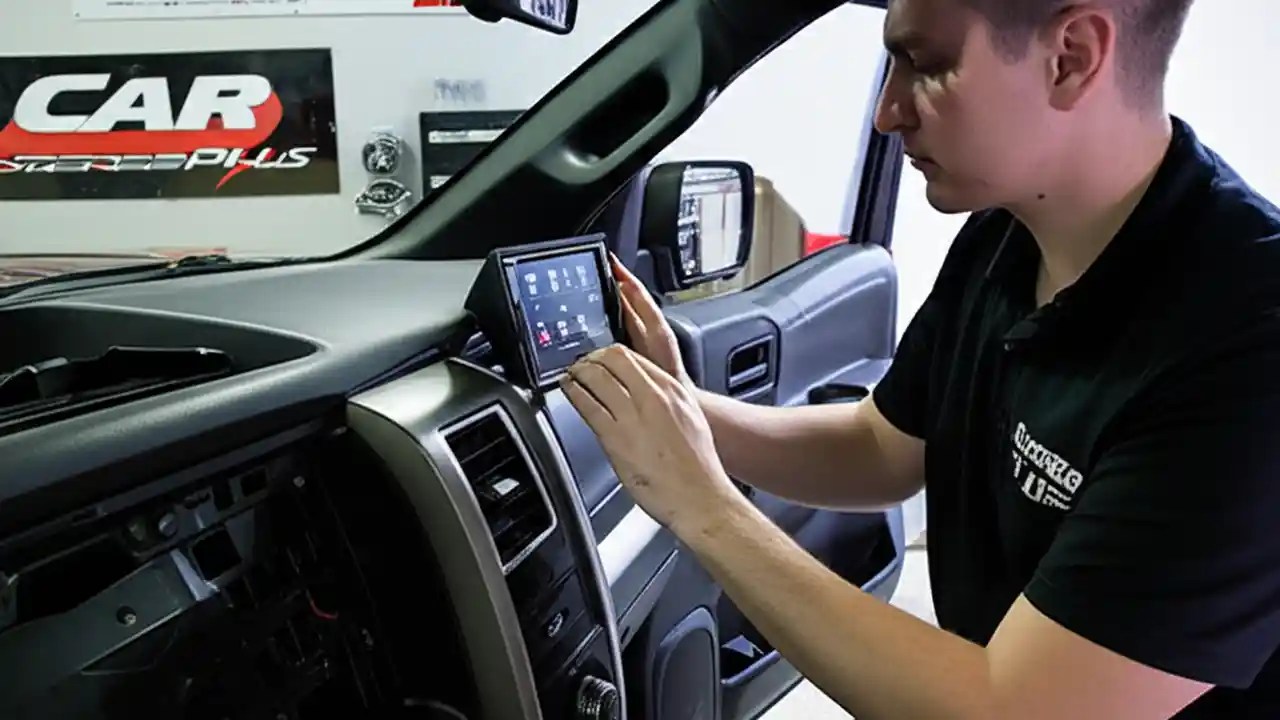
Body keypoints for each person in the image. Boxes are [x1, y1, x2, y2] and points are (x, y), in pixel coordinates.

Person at [560, 0, 1280, 717]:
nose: (887, 111)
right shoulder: (1006, 233)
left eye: (927, 65)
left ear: (1073, 56)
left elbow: (1015, 708)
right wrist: (686, 411)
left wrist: (702, 506)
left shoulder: (1245, 345)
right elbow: (884, 444)